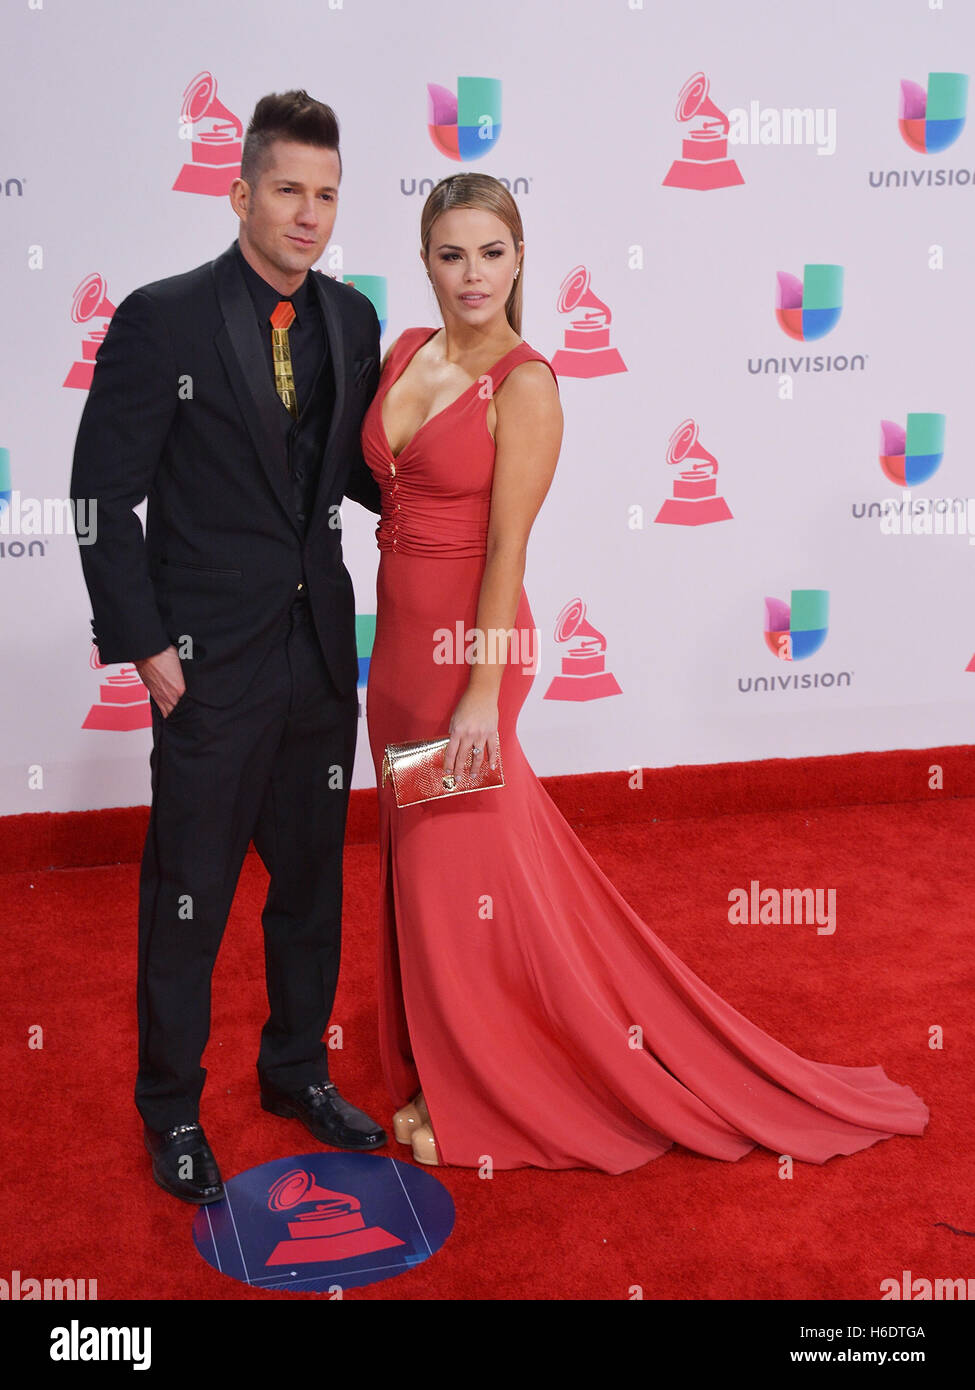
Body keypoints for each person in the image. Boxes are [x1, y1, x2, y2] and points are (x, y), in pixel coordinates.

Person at [361, 172, 929, 1171]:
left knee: (462, 875)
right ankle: (448, 1071)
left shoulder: (526, 383)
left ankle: (489, 1092)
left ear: (521, 256)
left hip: (470, 653)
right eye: (452, 254)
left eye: (491, 252)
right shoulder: (403, 353)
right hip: (398, 659)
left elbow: (506, 554)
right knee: (433, 871)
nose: (472, 274)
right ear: (425, 260)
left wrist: (484, 694)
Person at [70, 90, 387, 1204]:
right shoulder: (163, 319)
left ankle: (296, 1069)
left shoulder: (352, 320)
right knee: (189, 896)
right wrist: (145, 644)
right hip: (207, 664)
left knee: (310, 886)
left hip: (316, 659)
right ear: (241, 190)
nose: (309, 213)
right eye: (290, 190)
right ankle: (171, 1108)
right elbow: (102, 494)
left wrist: (457, 476)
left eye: (327, 194)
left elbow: (352, 470)